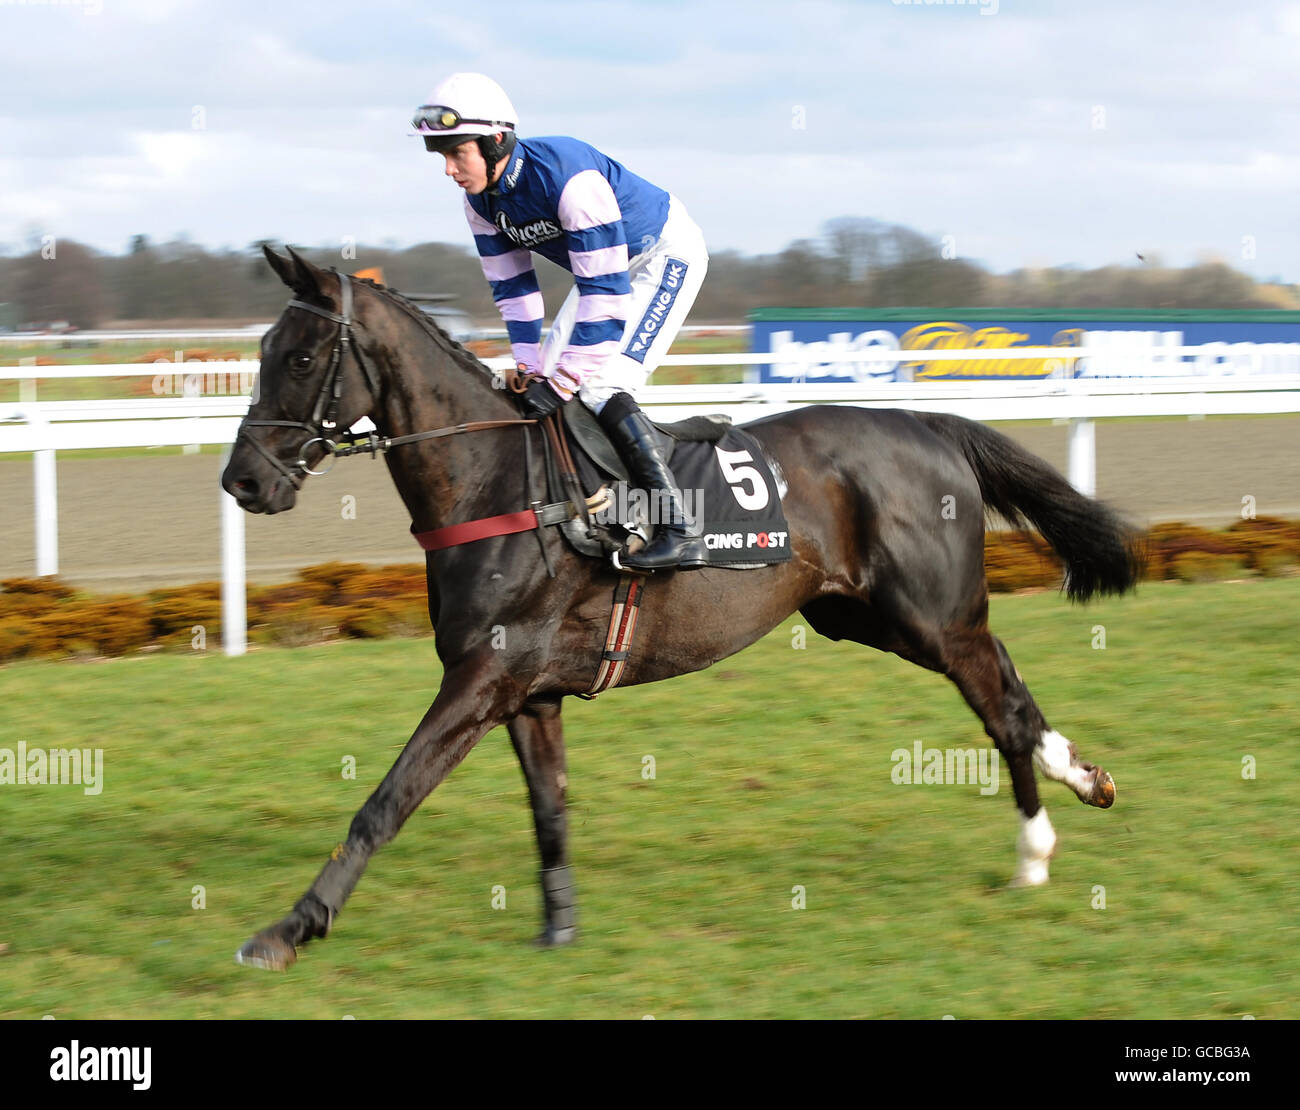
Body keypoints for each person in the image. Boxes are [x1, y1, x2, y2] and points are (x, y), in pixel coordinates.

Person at [412, 72, 709, 570]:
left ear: (495, 141)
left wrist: (566, 380)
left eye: (456, 153)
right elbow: (514, 289)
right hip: (605, 274)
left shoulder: (570, 178)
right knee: (546, 381)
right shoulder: (479, 202)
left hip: (661, 256)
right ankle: (594, 508)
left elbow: (608, 294)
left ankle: (679, 527)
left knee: (597, 385)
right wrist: (530, 363)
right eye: (440, 156)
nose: (448, 169)